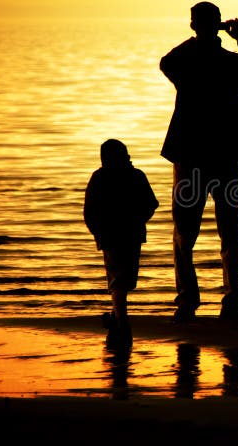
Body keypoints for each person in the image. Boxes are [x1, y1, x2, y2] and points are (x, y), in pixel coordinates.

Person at [160, 1, 238, 322]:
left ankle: (207, 301)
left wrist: (234, 40)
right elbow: (166, 63)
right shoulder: (217, 62)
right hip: (208, 157)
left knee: (207, 233)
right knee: (199, 233)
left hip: (213, 157)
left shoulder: (212, 60)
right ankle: (208, 301)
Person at [84, 139, 159, 344]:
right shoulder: (136, 175)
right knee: (123, 279)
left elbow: (89, 211)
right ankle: (121, 320)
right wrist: (139, 220)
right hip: (130, 234)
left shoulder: (99, 177)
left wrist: (97, 232)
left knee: (119, 278)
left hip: (110, 235)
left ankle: (117, 317)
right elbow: (151, 204)